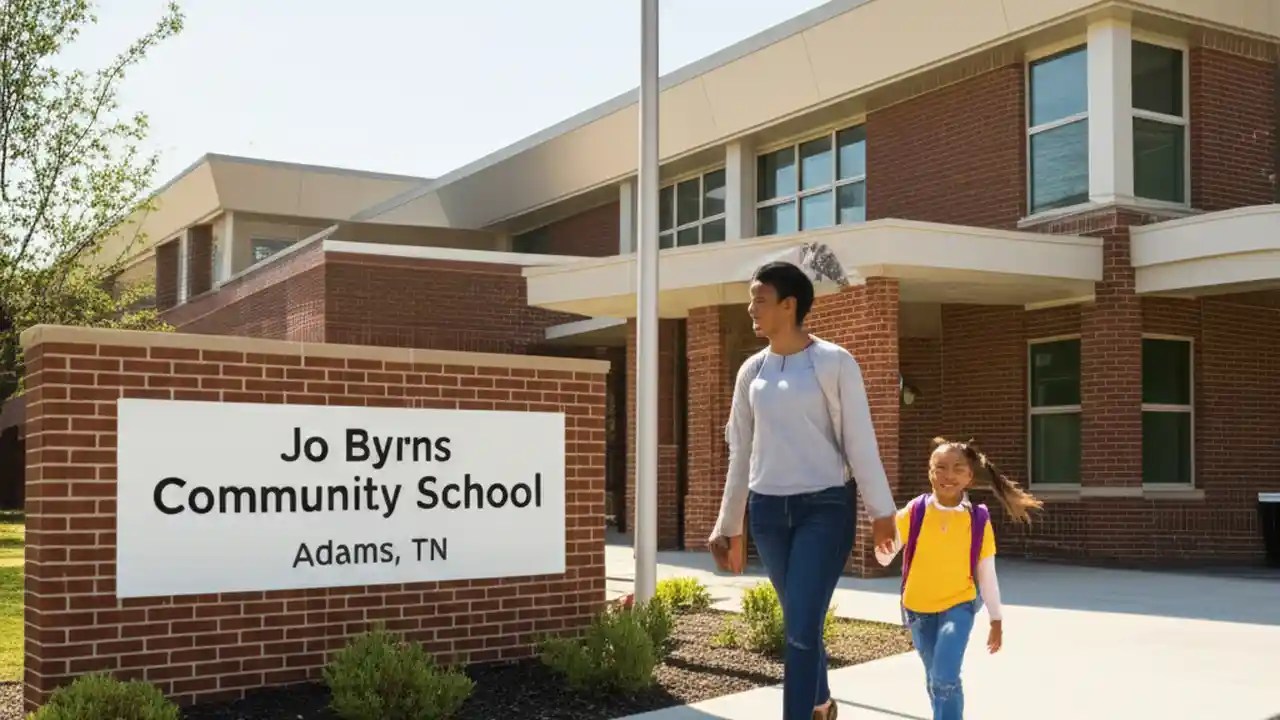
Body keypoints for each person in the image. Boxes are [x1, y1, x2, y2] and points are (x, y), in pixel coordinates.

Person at [708, 260, 898, 720]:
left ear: (789, 305)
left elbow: (860, 440)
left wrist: (882, 512)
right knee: (800, 620)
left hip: (825, 507)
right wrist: (728, 524)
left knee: (799, 629)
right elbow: (741, 450)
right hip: (769, 512)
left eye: (760, 299)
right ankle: (821, 704)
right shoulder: (750, 371)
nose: (751, 307)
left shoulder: (834, 362)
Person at [874, 437, 1043, 720]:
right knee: (936, 679)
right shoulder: (915, 511)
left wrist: (996, 618)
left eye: (957, 468)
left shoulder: (977, 518)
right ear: (930, 472)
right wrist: (883, 548)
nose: (948, 475)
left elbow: (986, 572)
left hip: (959, 606)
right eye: (940, 467)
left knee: (944, 676)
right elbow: (886, 556)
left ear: (969, 476)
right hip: (918, 610)